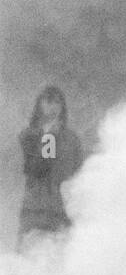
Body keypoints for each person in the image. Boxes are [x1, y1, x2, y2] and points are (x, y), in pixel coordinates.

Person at [18, 85, 83, 250]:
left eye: (57, 102)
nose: (53, 107)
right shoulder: (30, 135)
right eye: (48, 102)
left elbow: (79, 172)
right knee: (30, 262)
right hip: (35, 213)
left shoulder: (72, 139)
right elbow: (38, 168)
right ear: (39, 105)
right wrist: (49, 138)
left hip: (62, 212)